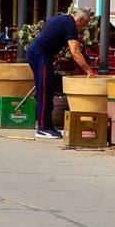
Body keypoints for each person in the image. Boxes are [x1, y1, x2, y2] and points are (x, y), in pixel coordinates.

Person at [26, 7, 95, 139]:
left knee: (48, 89)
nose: (83, 28)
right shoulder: (70, 25)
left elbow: (50, 35)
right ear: (79, 19)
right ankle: (43, 128)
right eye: (84, 24)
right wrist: (88, 71)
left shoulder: (62, 18)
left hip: (41, 54)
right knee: (44, 91)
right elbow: (75, 52)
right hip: (41, 55)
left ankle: (48, 127)